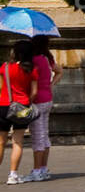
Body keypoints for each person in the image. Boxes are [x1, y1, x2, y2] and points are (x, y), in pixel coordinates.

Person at [2, 43, 36, 184]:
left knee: (0, 141)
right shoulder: (31, 69)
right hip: (21, 106)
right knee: (18, 141)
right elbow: (34, 92)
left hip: (3, 105)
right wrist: (28, 102)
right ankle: (13, 175)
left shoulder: (5, 67)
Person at [23, 44, 57, 181]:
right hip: (47, 98)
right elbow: (59, 71)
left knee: (37, 136)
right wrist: (51, 84)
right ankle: (43, 168)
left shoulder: (33, 61)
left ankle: (37, 170)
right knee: (44, 135)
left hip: (36, 101)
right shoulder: (46, 59)